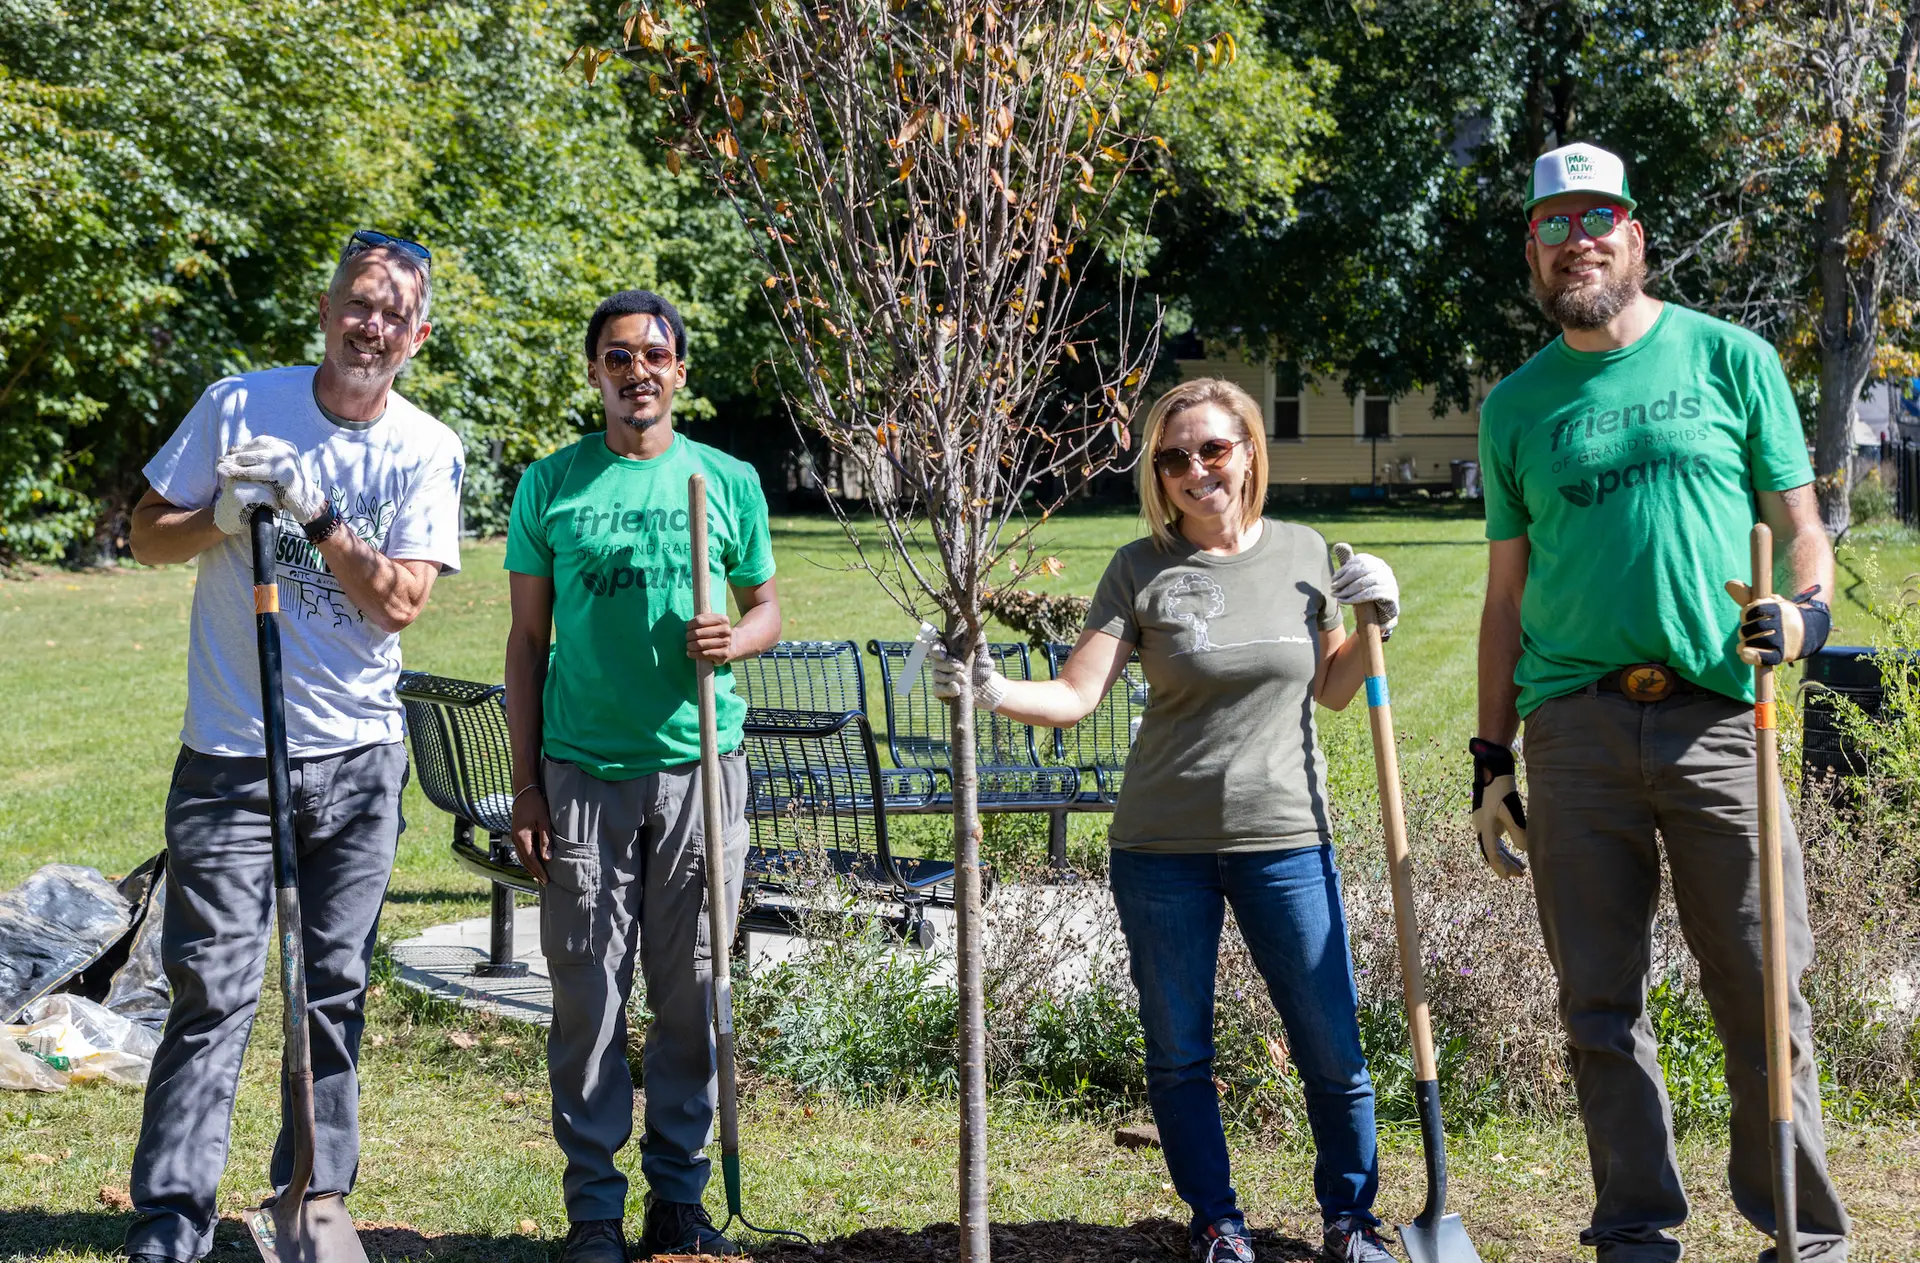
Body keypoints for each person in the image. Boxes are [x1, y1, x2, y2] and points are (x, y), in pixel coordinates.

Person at [1473, 142, 1851, 1261]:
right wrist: (1493, 758)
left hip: (1722, 718)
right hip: (1576, 731)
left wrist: (1805, 615)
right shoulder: (1515, 407)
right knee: (1598, 1006)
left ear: (1635, 236)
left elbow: (1804, 533)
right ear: (1535, 253)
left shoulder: (1729, 361)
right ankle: (1636, 1235)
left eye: (1599, 218)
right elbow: (1503, 600)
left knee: (1765, 992)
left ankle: (1807, 1239)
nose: (1577, 238)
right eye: (1555, 224)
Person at [933, 376, 1401, 1263]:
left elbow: (1335, 690)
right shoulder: (1139, 566)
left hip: (1286, 838)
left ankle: (1350, 1220)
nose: (1195, 469)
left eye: (1213, 449)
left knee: (1332, 1044)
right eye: (1175, 456)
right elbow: (1076, 694)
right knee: (1180, 1051)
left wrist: (1375, 616)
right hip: (1160, 849)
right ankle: (1217, 1223)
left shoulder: (1305, 551)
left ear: (1250, 451)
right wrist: (989, 689)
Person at [123, 230, 463, 1263]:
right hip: (231, 753)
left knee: (333, 988)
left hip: (357, 762)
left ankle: (313, 1198)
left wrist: (315, 514)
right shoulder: (239, 403)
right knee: (212, 989)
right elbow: (145, 533)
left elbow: (398, 603)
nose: (372, 326)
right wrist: (221, 515)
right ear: (327, 309)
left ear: (419, 334)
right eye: (358, 304)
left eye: (393, 314)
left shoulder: (423, 447)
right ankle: (172, 1219)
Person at [503, 289, 781, 1262]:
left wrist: (734, 636)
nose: (638, 372)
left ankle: (678, 1197)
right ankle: (591, 1210)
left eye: (655, 356)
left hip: (701, 769)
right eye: (618, 357)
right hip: (582, 774)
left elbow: (768, 610)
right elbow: (527, 640)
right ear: (595, 373)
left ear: (680, 372)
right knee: (587, 994)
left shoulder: (727, 480)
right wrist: (527, 783)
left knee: (695, 988)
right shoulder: (552, 485)